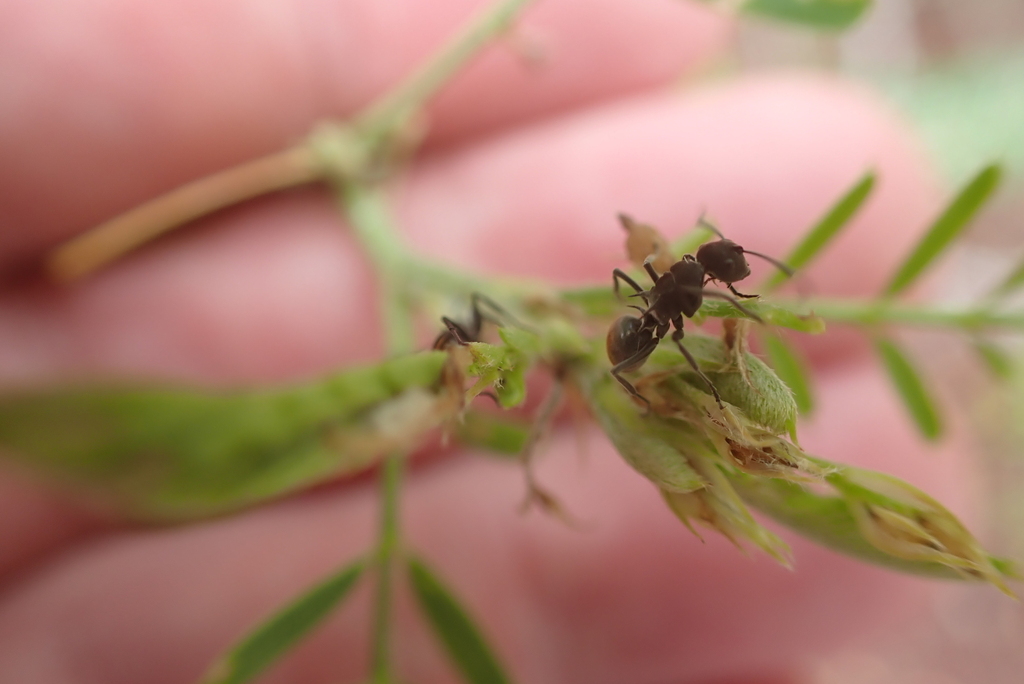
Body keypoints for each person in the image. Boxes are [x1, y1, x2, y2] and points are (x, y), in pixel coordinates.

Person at [0, 1, 972, 682]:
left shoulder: (676, 298)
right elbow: (649, 297)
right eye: (718, 267)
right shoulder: (660, 289)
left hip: (614, 338)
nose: (720, 273)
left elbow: (666, 305)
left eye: (716, 269)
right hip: (602, 331)